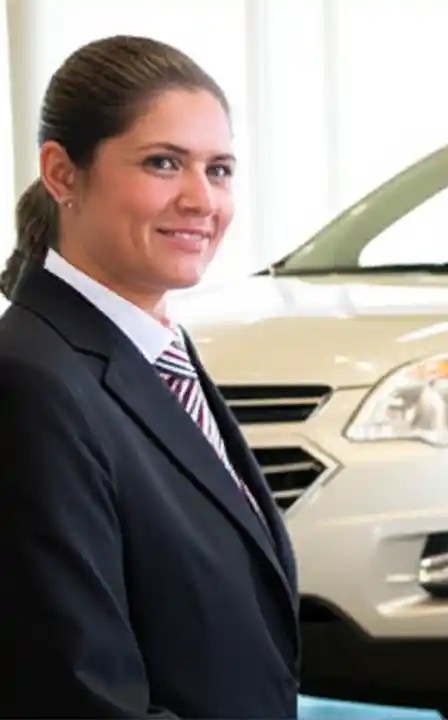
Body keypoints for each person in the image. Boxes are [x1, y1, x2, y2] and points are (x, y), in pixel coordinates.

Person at [0, 36, 298, 718]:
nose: (201, 199)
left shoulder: (158, 353)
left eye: (219, 170)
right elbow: (76, 695)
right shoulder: (31, 386)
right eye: (164, 163)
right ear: (62, 172)